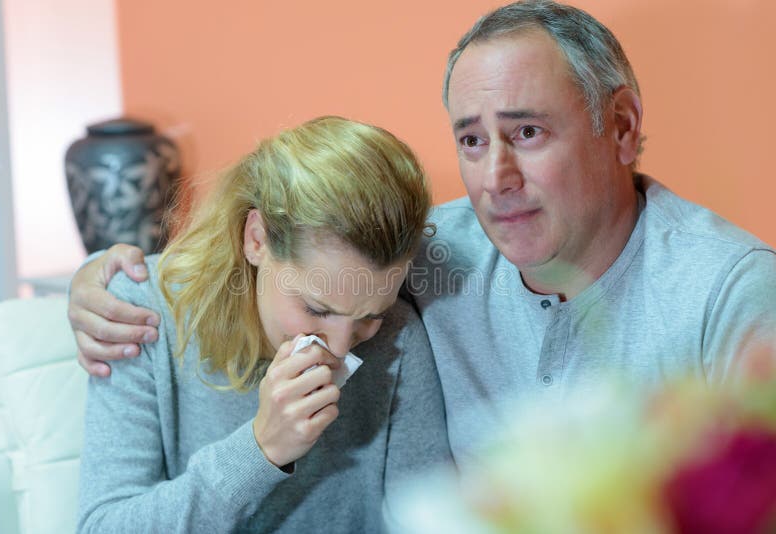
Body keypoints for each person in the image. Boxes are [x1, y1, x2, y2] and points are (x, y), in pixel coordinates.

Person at [68, 0, 776, 466]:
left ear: (620, 127)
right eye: (471, 141)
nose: (496, 176)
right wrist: (100, 277)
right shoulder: (442, 257)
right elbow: (307, 258)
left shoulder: (730, 294)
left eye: (527, 132)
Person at [76, 116, 451, 533]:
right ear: (256, 239)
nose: (341, 348)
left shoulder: (401, 338)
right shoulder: (141, 317)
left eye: (368, 318)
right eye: (316, 309)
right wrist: (261, 450)